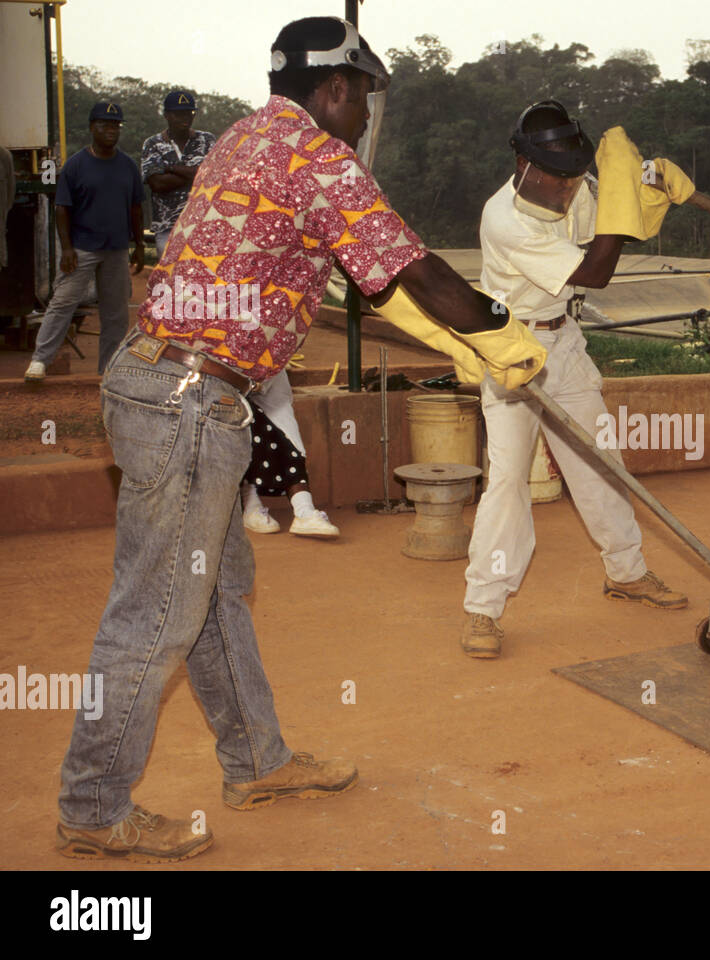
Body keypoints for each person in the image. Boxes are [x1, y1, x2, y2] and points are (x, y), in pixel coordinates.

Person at [55, 16, 544, 864]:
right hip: (188, 398)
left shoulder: (249, 138)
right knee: (157, 615)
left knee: (212, 599)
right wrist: (501, 334)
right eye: (365, 101)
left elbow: (374, 283)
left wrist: (455, 340)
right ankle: (93, 807)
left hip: (173, 384)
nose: (364, 120)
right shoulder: (320, 154)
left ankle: (256, 762)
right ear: (336, 88)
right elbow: (414, 270)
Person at [461, 100, 692, 658]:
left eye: (574, 176)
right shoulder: (505, 218)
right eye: (557, 178)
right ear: (523, 163)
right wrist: (617, 208)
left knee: (599, 460)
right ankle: (483, 609)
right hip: (513, 349)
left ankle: (626, 572)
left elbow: (612, 226)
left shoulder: (573, 185)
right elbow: (596, 270)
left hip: (564, 340)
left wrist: (643, 185)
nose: (569, 190)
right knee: (509, 480)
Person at [25, 102, 145, 381]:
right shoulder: (76, 165)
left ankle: (108, 368)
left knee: (115, 313)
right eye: (104, 124)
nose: (110, 130)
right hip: (81, 248)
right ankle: (40, 361)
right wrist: (66, 247)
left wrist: (138, 244)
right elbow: (61, 208)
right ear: (92, 127)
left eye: (115, 125)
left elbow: (136, 208)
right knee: (62, 303)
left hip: (116, 248)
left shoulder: (127, 165)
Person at [240, 368, 338, 537]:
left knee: (289, 446)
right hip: (224, 406)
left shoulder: (274, 356)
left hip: (266, 402)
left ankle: (304, 512)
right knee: (238, 432)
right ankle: (250, 504)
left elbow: (253, 384)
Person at [140, 90, 215, 258]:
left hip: (203, 227)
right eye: (179, 114)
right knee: (170, 281)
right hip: (168, 228)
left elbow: (213, 176)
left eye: (190, 113)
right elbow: (157, 184)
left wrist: (170, 168)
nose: (185, 118)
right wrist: (196, 173)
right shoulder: (153, 144)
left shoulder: (207, 140)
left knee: (203, 282)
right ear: (167, 115)